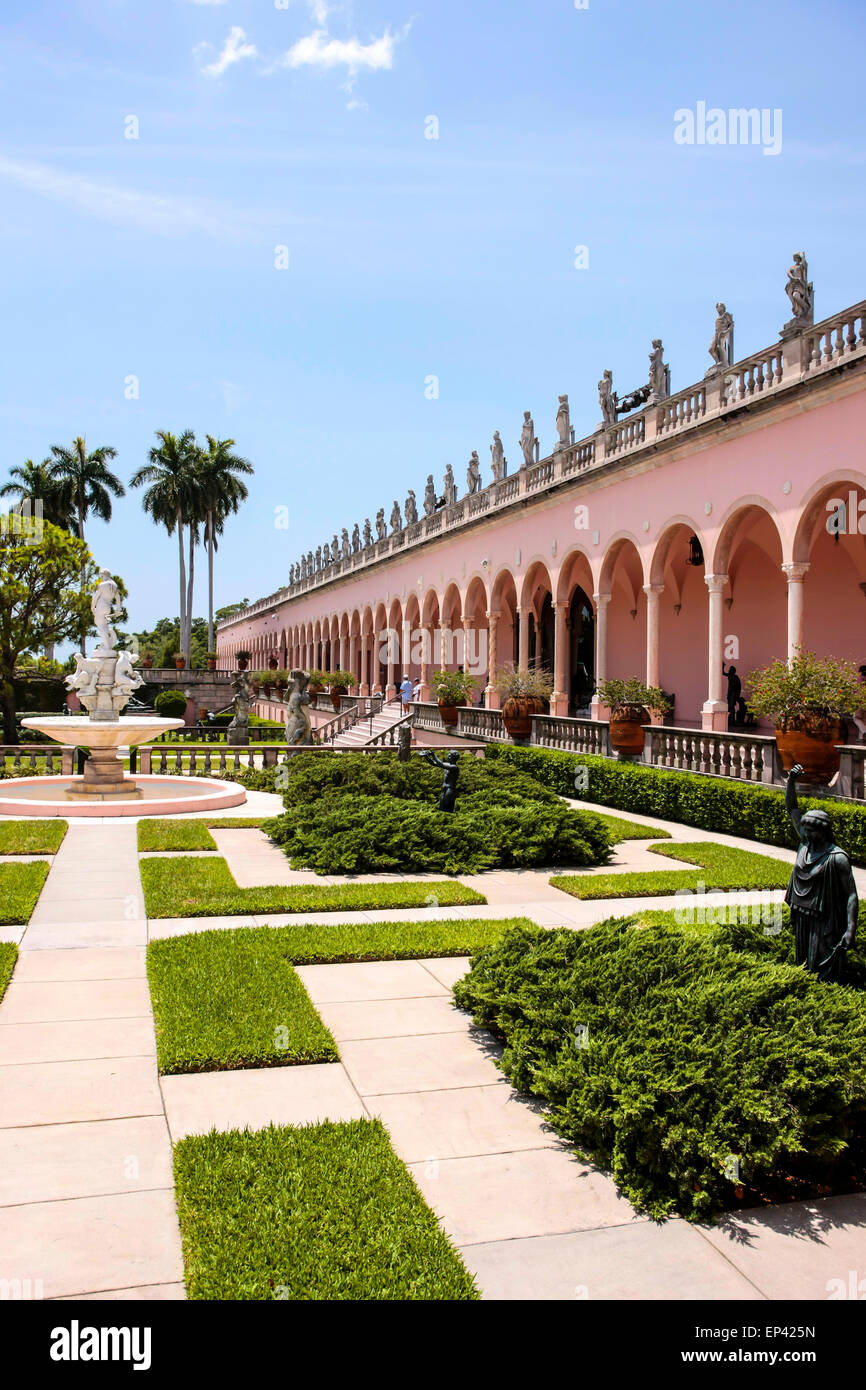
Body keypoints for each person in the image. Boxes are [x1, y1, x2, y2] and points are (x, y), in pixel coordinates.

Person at [785, 764, 857, 981]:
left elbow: (851, 895)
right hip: (802, 913)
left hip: (824, 920)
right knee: (804, 962)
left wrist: (850, 929)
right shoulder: (805, 844)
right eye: (804, 828)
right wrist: (790, 781)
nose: (804, 831)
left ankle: (826, 994)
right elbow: (792, 809)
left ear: (822, 830)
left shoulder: (837, 858)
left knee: (823, 968)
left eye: (809, 829)